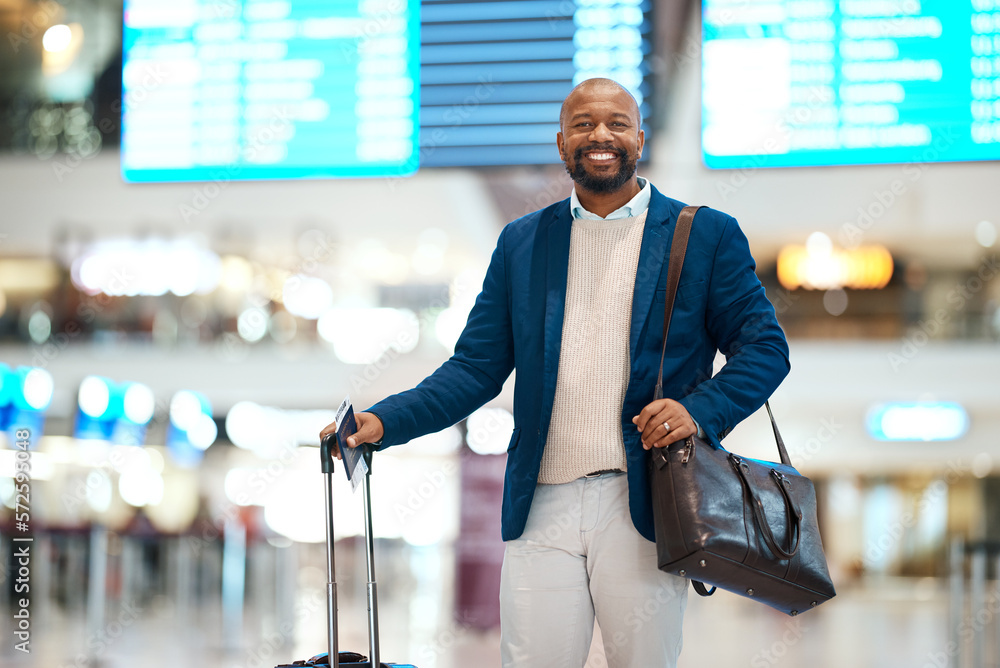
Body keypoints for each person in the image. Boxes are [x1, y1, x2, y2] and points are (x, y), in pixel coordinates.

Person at [320, 78, 790, 668]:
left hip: (646, 501)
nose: (601, 135)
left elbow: (766, 349)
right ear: (562, 141)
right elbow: (474, 369)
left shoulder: (705, 235)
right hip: (542, 504)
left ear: (640, 138)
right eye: (584, 123)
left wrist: (699, 410)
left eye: (617, 123)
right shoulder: (522, 242)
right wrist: (384, 420)